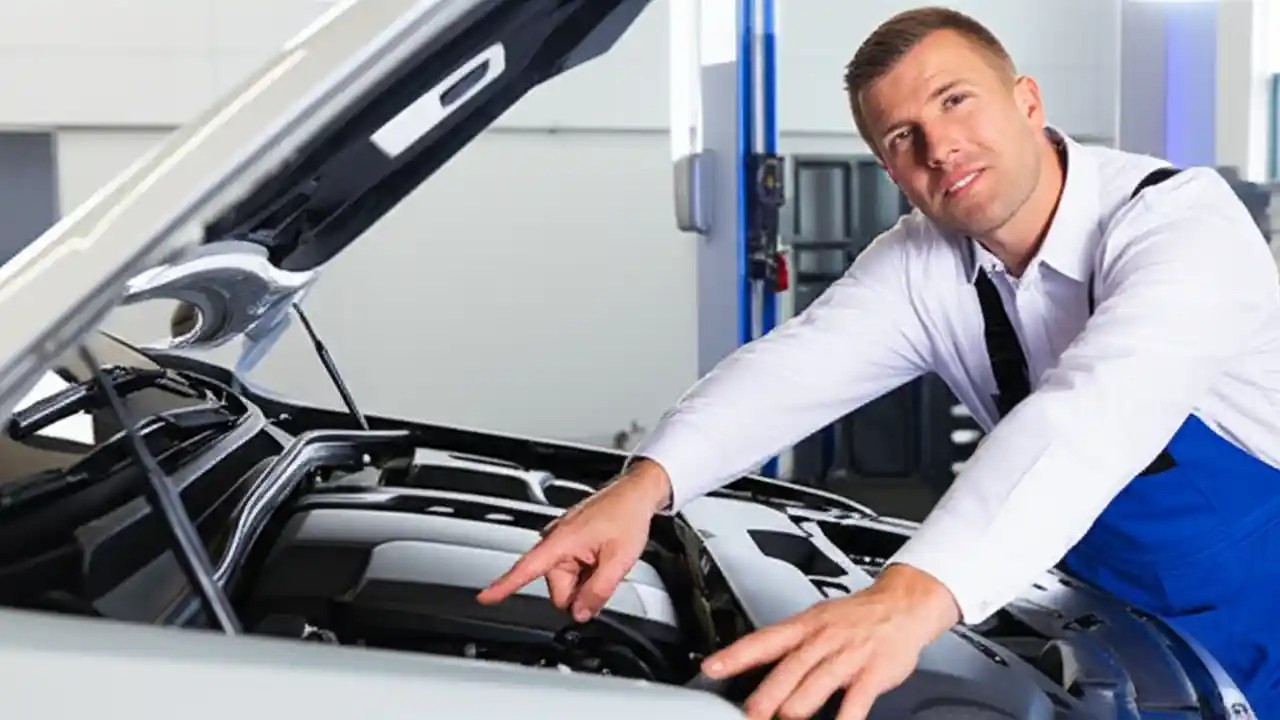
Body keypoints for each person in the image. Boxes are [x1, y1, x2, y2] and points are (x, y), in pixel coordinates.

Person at [478, 6, 1280, 719]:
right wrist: (644, 486)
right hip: (1106, 616)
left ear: (1027, 101)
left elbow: (1096, 414)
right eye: (903, 137)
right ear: (892, 172)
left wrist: (908, 597)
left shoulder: (1182, 225)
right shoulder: (923, 261)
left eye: (955, 100)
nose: (940, 145)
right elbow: (791, 370)